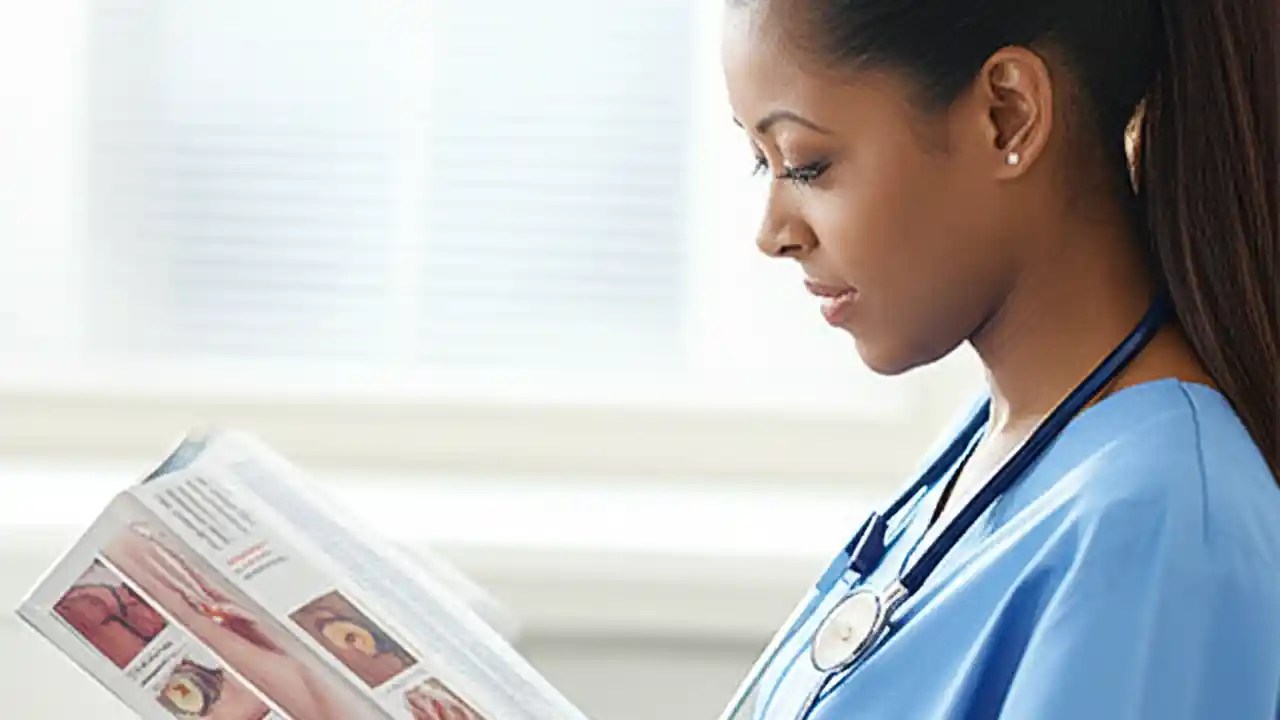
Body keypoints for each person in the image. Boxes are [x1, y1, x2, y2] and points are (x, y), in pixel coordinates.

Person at [719, 0, 1278, 718]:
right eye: (758, 162)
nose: (772, 234)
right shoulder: (1005, 437)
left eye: (806, 165)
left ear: (1006, 115)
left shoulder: (1165, 524)